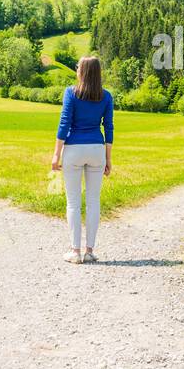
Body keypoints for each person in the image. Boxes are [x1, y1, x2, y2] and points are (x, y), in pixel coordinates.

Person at [50, 56, 113, 263]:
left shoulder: (71, 93)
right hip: (96, 149)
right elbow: (109, 128)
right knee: (94, 201)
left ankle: (75, 252)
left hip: (74, 150)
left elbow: (64, 124)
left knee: (73, 203)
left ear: (82, 71)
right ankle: (90, 251)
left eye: (78, 67)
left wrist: (56, 154)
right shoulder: (106, 96)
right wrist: (108, 158)